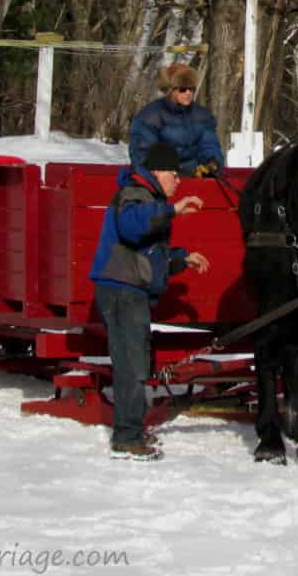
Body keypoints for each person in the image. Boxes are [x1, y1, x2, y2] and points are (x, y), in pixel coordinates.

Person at [88, 139, 210, 460]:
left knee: (134, 362)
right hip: (121, 290)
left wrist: (183, 259)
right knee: (131, 365)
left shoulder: (146, 198)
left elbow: (150, 254)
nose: (179, 180)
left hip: (128, 288)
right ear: (157, 171)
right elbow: (131, 227)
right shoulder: (134, 195)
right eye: (175, 174)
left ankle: (131, 432)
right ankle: (126, 438)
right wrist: (174, 209)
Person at [129, 64, 225, 178]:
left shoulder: (202, 116)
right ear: (171, 90)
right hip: (161, 181)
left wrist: (212, 163)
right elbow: (142, 154)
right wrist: (165, 175)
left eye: (192, 89)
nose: (188, 93)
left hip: (195, 178)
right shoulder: (150, 116)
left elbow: (210, 145)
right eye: (183, 89)